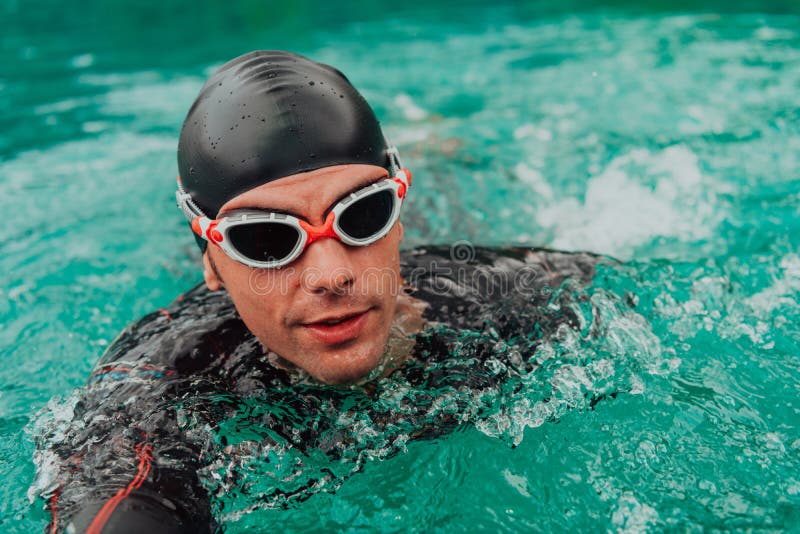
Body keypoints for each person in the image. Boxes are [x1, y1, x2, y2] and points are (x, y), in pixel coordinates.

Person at [32, 50, 601, 533]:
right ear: (209, 259)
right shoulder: (162, 385)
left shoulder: (516, 292)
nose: (330, 274)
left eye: (365, 214)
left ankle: (434, 151)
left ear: (397, 213)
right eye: (264, 238)